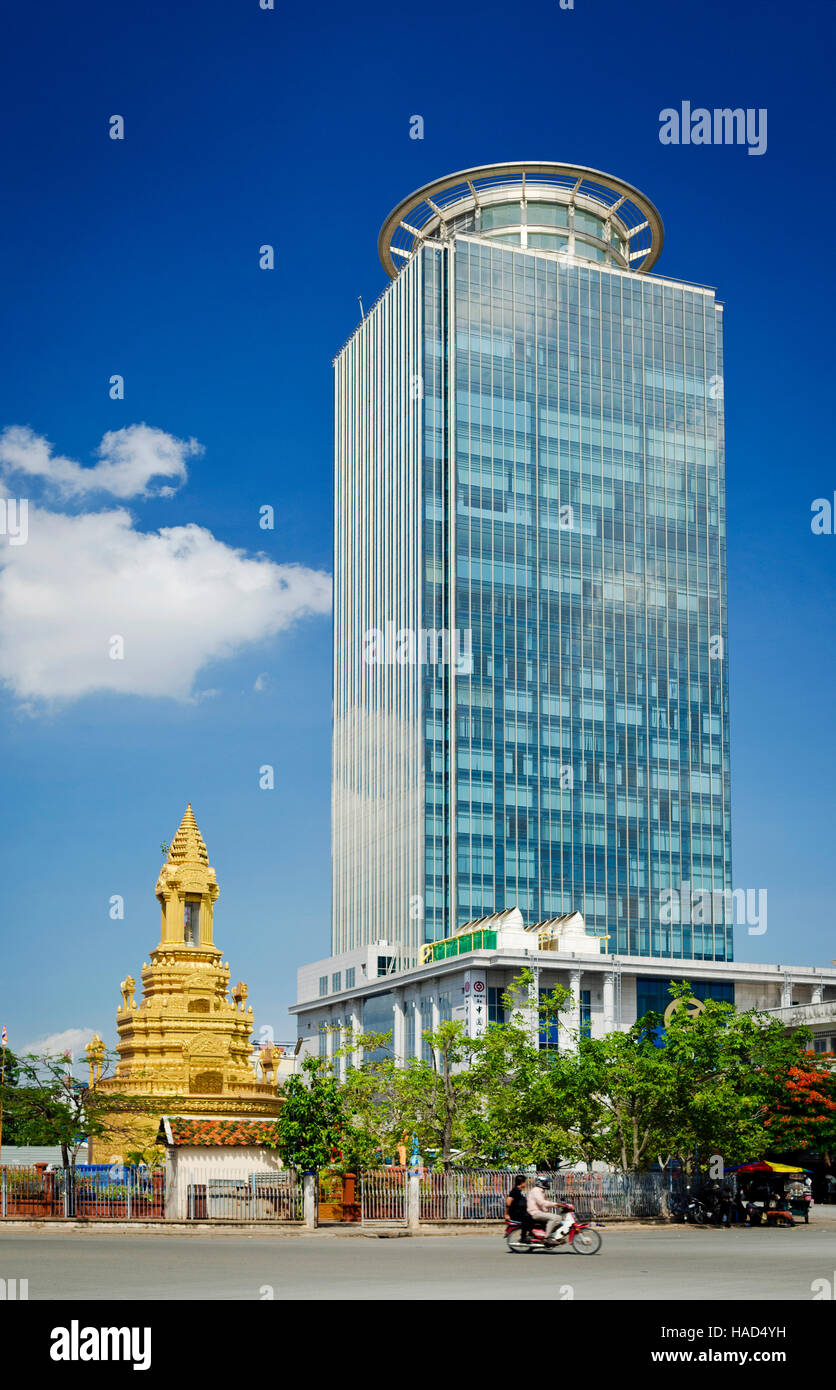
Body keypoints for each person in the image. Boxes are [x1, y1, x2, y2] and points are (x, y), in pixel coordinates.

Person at [526, 1176, 572, 1242]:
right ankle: (546, 1237)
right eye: (546, 1183)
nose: (548, 1184)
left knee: (558, 1218)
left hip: (540, 1212)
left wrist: (560, 1205)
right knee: (556, 1218)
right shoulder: (536, 1191)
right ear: (540, 1183)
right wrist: (556, 1204)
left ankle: (553, 1235)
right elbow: (543, 1203)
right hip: (535, 1213)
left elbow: (543, 1205)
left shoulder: (541, 1191)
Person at [506, 1174, 533, 1242]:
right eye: (525, 1182)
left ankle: (531, 1234)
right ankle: (523, 1237)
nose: (526, 1184)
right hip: (517, 1213)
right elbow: (508, 1202)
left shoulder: (519, 1190)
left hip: (521, 1212)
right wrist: (506, 1214)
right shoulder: (515, 1191)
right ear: (522, 1183)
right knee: (528, 1218)